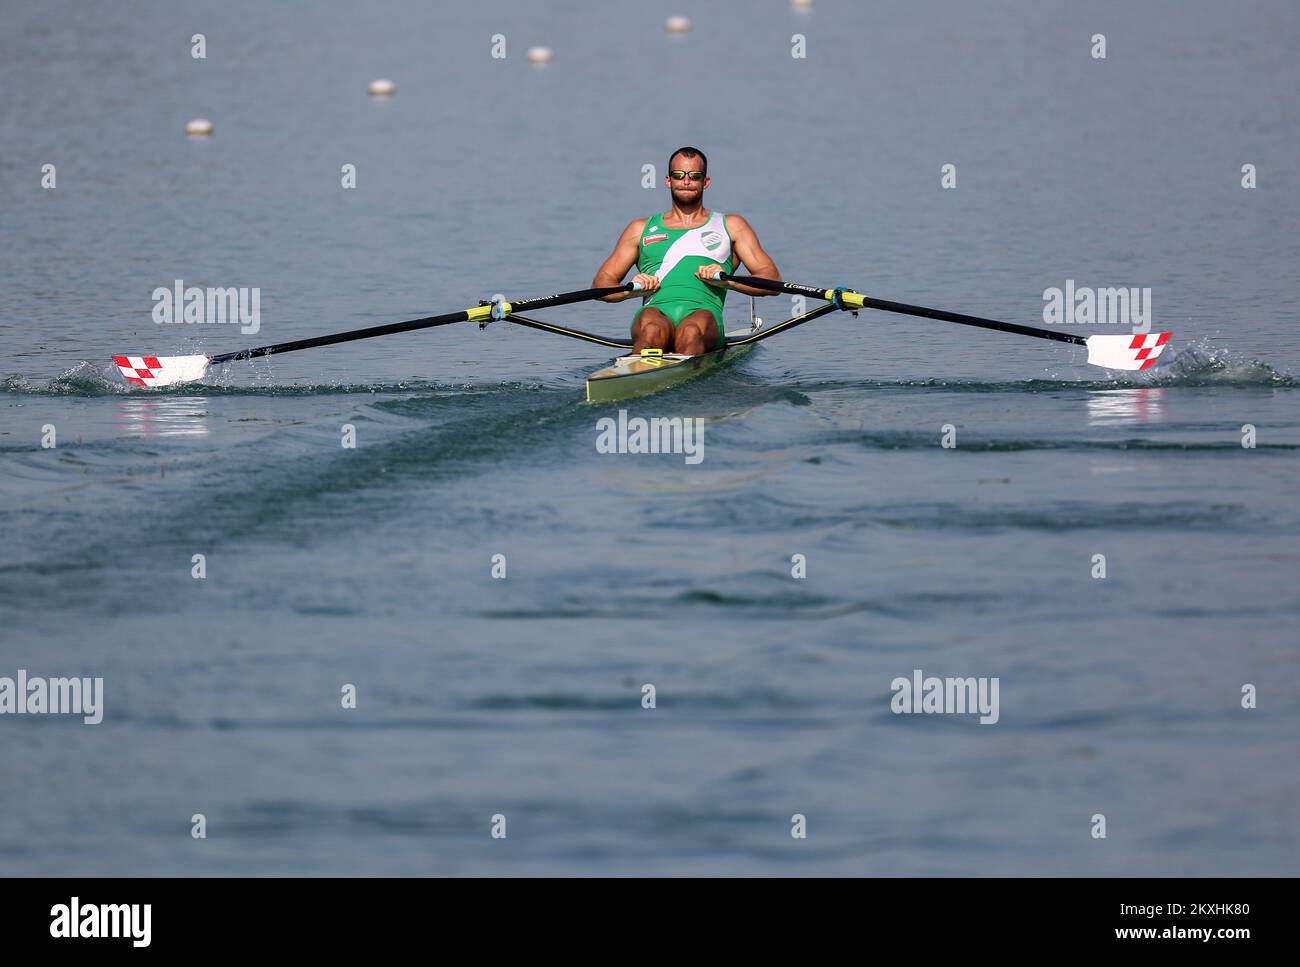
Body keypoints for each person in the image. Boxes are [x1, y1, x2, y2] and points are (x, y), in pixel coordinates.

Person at [592, 146, 782, 356]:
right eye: (679, 175)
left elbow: (772, 281)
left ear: (705, 182)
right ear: (668, 180)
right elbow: (601, 284)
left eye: (695, 176)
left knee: (690, 331)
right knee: (652, 329)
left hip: (703, 315)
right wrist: (631, 289)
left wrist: (727, 281)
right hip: (654, 313)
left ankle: (677, 372)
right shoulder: (639, 229)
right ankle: (637, 374)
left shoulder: (732, 225)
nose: (686, 181)